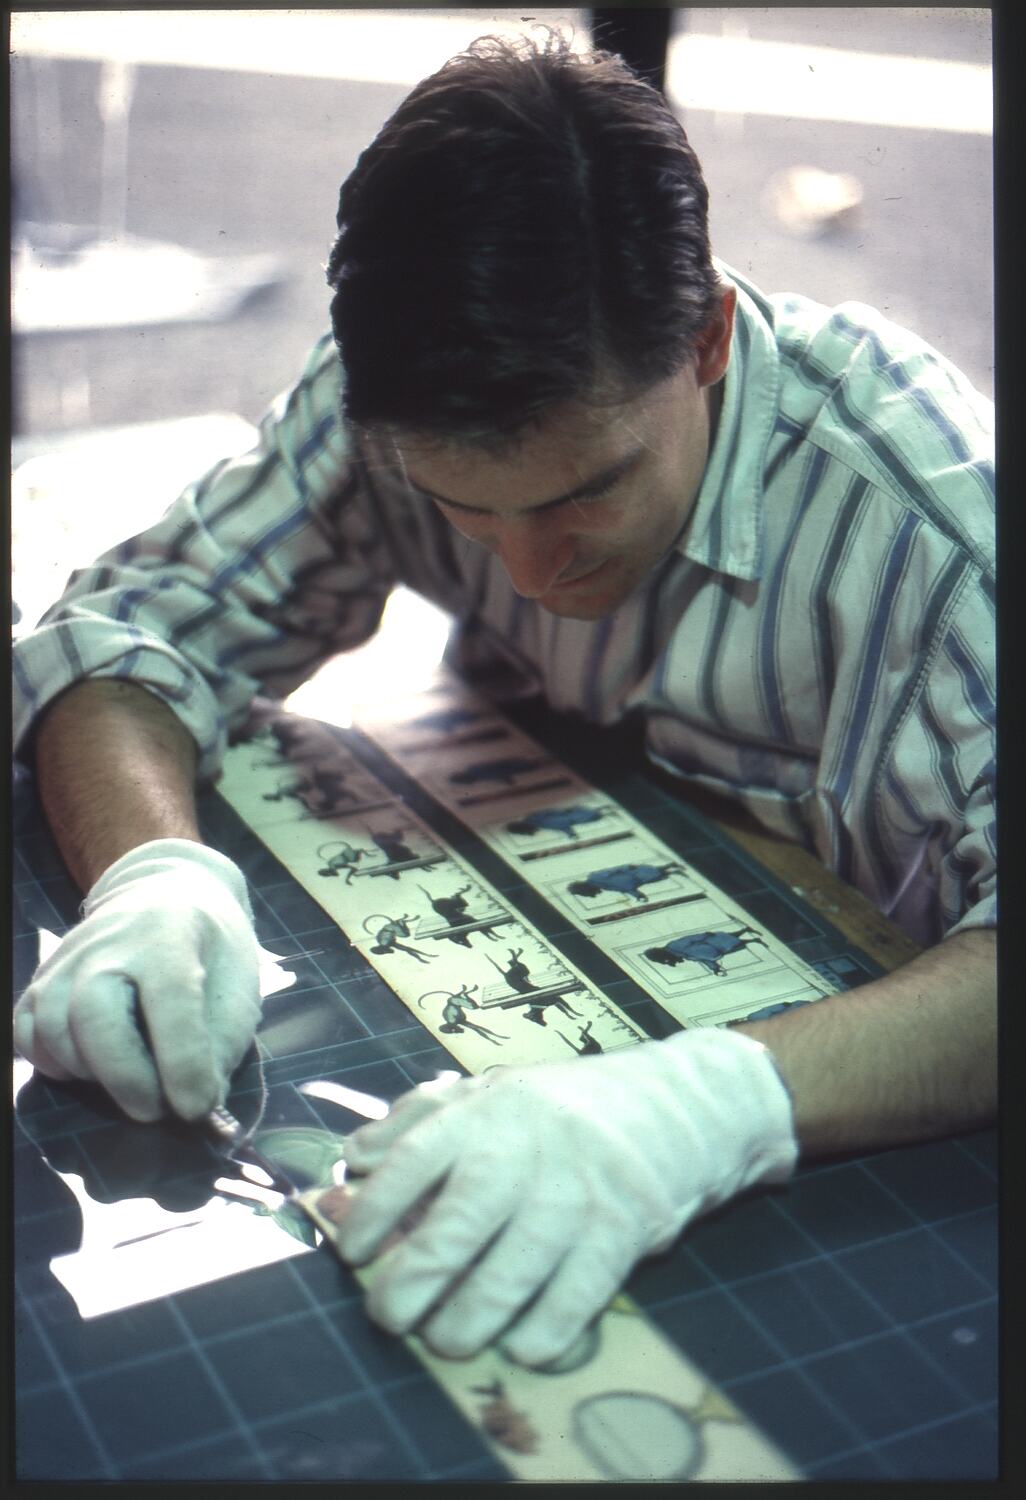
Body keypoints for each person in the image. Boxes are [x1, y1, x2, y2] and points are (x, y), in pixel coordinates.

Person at [12, 32, 995, 1369]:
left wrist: (713, 1105)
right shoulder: (394, 408)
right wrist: (151, 873)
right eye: (461, 512)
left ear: (703, 337)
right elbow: (129, 627)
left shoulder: (930, 528)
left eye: (586, 489)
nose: (529, 568)